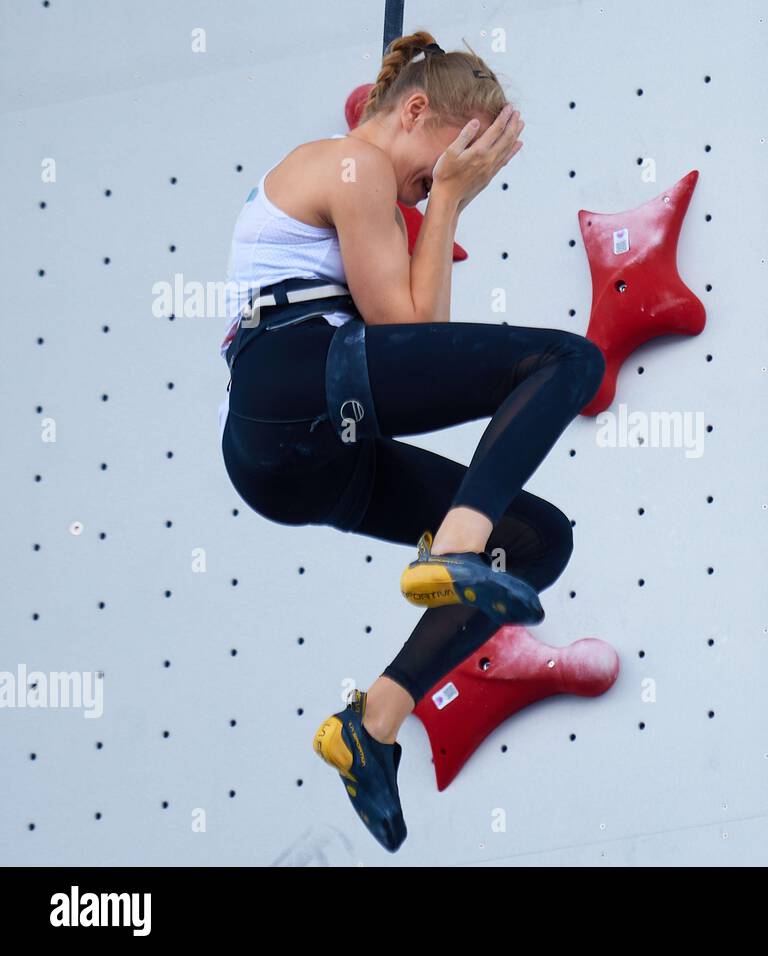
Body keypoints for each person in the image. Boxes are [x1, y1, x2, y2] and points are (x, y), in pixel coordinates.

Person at [218, 30, 604, 851]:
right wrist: (442, 199)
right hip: (290, 379)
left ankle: (374, 725)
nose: (429, 188)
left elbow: (418, 334)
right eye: (432, 169)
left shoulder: (373, 189)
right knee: (569, 358)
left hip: (304, 462)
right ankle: (455, 548)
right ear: (416, 110)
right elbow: (402, 329)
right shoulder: (349, 164)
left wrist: (446, 196)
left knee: (536, 542)